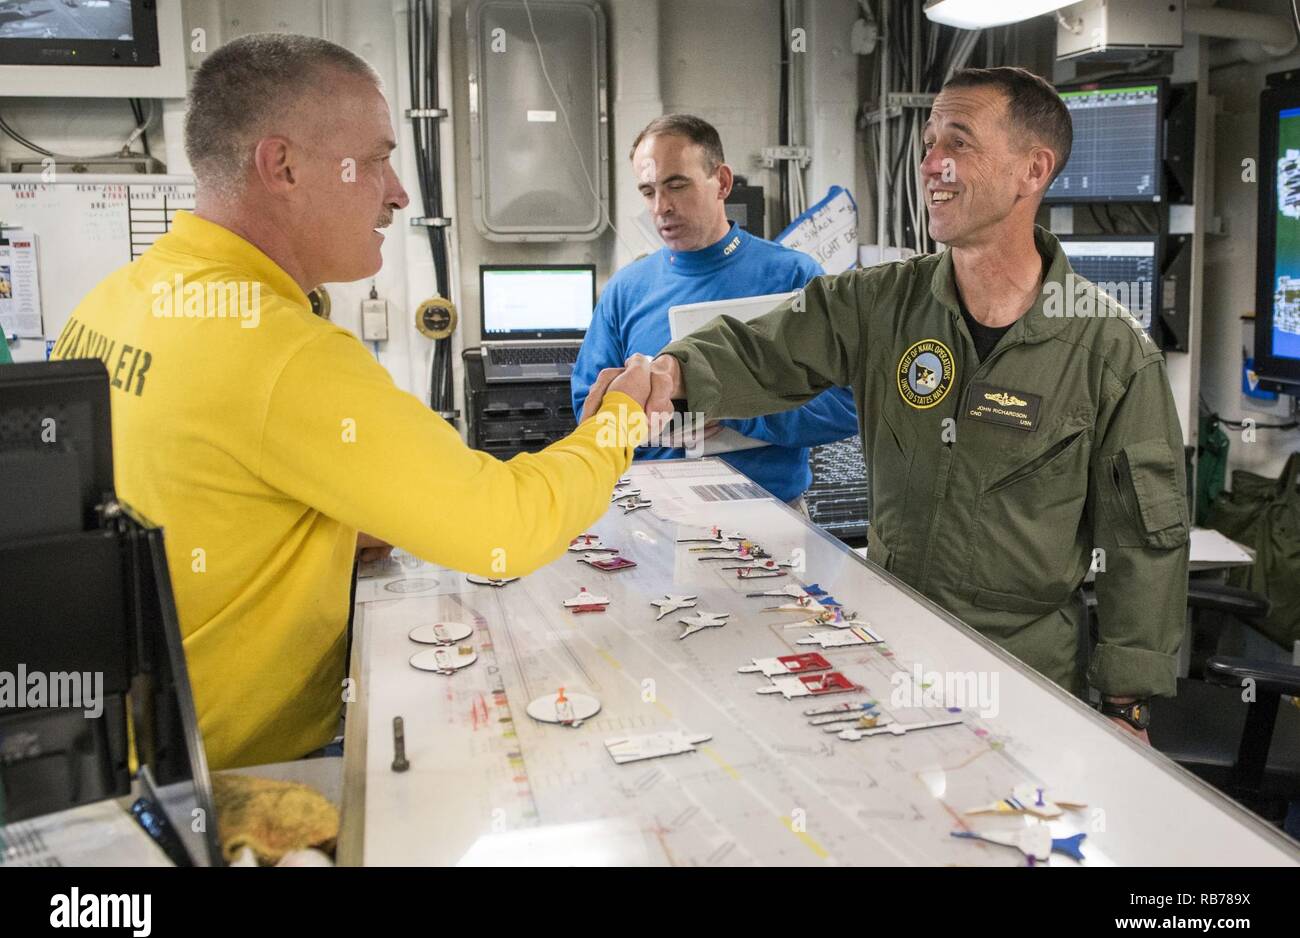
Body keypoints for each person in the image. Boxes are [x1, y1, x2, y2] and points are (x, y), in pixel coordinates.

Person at [50, 33, 659, 769]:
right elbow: (505, 527)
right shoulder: (278, 349)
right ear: (283, 166)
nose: (399, 191)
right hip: (236, 781)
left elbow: (198, 492)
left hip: (114, 757)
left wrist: (324, 530)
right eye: (375, 161)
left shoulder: (116, 299)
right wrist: (620, 419)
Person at [644, 67, 1189, 741]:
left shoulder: (1110, 351)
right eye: (928, 143)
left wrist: (1126, 705)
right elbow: (768, 349)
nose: (930, 164)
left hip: (1028, 681)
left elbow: (1144, 546)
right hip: (890, 653)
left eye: (956, 142)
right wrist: (671, 373)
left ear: (1032, 170)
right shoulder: (882, 304)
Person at [572, 114, 857, 507]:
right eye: (648, 191)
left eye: (676, 185)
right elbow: (586, 403)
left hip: (771, 515)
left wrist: (734, 406)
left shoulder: (793, 277)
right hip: (651, 512)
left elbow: (845, 406)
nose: (661, 207)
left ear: (722, 182)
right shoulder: (626, 289)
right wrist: (647, 416)